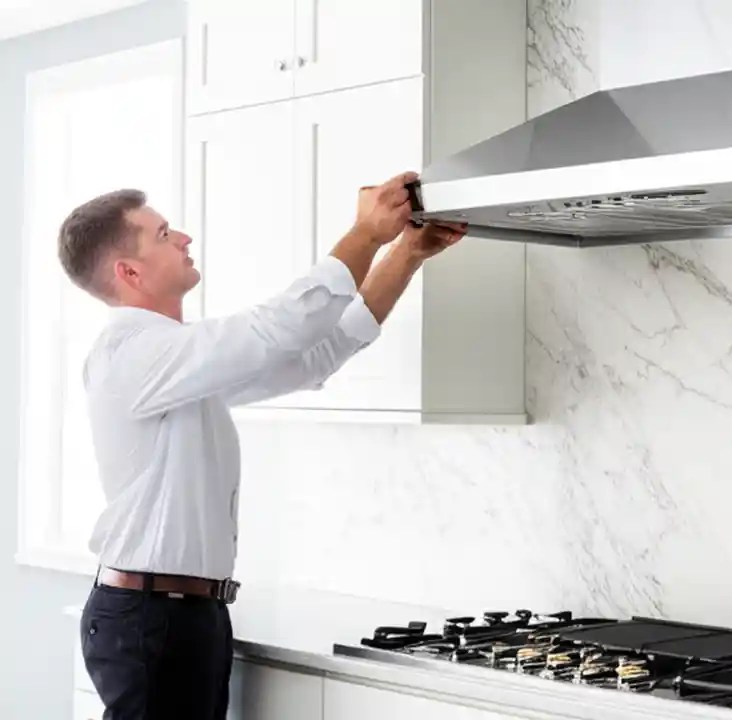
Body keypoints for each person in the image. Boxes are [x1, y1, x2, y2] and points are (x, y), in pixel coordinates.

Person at [56, 171, 466, 719]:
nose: (183, 238)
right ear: (128, 271)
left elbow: (314, 354)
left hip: (182, 614)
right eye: (162, 234)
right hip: (150, 617)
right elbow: (277, 328)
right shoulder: (130, 356)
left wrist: (406, 253)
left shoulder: (176, 364)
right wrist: (365, 235)